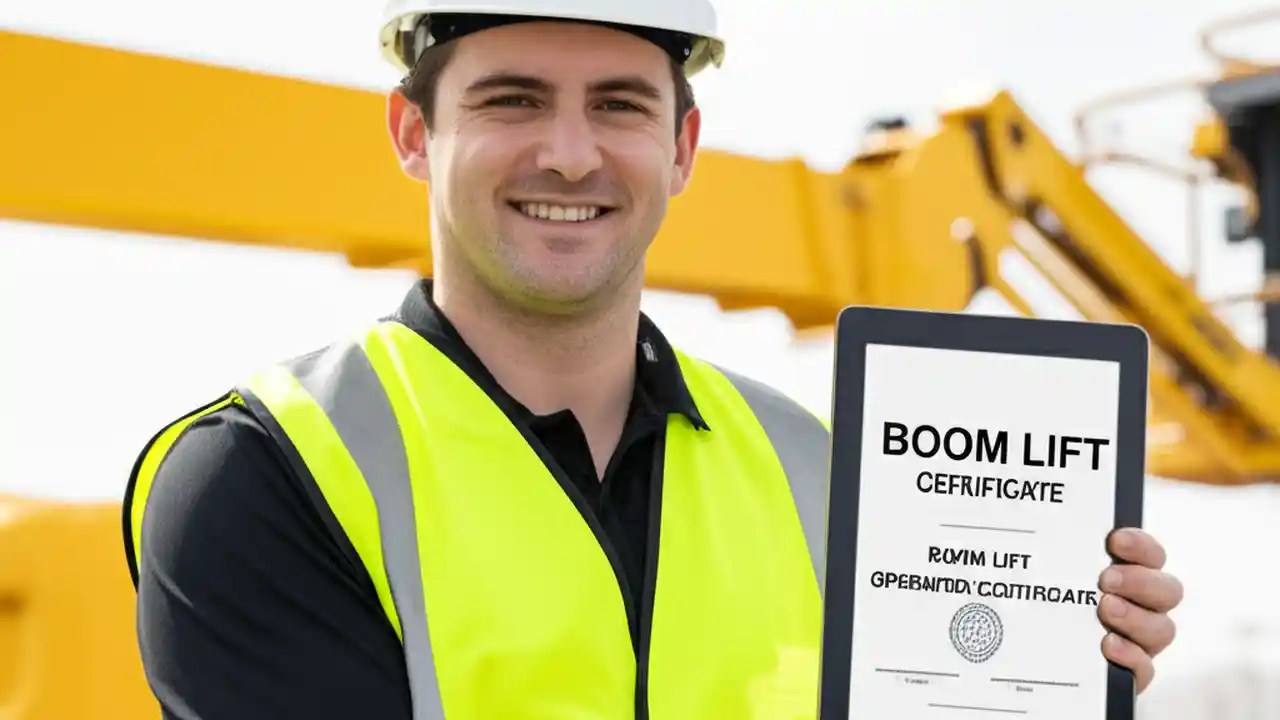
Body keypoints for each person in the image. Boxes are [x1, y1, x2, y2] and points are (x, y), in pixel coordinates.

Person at [122, 1, 1185, 717]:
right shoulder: (266, 478)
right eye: (513, 99)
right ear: (411, 132)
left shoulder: (822, 472)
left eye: (619, 105)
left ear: (680, 149)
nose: (571, 153)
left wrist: (1051, 661)